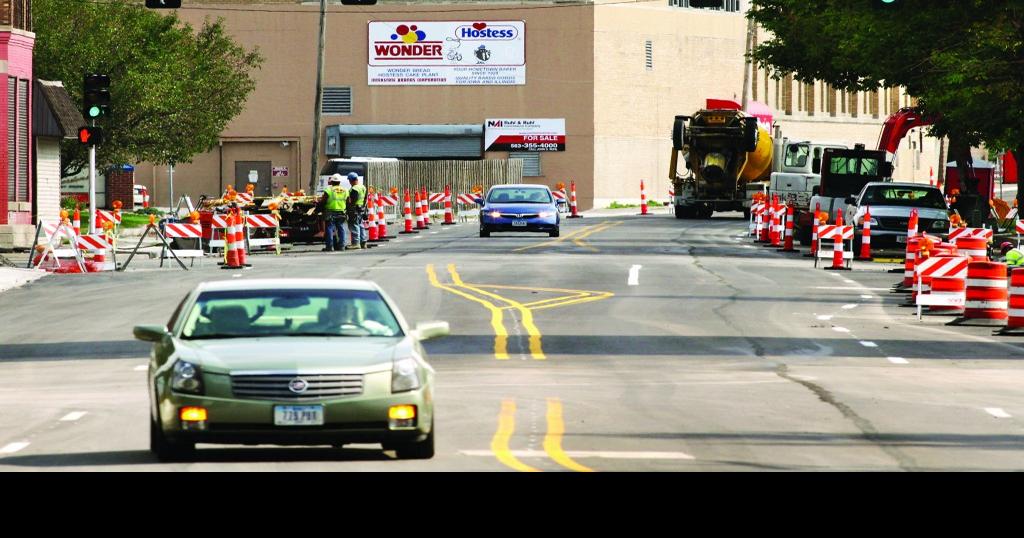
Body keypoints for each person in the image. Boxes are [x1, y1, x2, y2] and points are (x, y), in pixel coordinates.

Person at [319, 174, 348, 252]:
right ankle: (342, 246)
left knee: (329, 228)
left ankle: (330, 246)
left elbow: (323, 201)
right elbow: (348, 201)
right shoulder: (345, 190)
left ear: (331, 181)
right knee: (341, 228)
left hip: (330, 211)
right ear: (339, 181)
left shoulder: (329, 190)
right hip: (341, 211)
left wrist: (319, 207)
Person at [347, 172, 368, 249]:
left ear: (351, 180)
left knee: (354, 225)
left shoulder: (354, 188)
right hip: (361, 209)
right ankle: (363, 242)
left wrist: (349, 207)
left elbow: (352, 200)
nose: (349, 182)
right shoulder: (363, 187)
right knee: (361, 225)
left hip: (354, 209)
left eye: (349, 180)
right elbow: (365, 198)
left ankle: (356, 243)